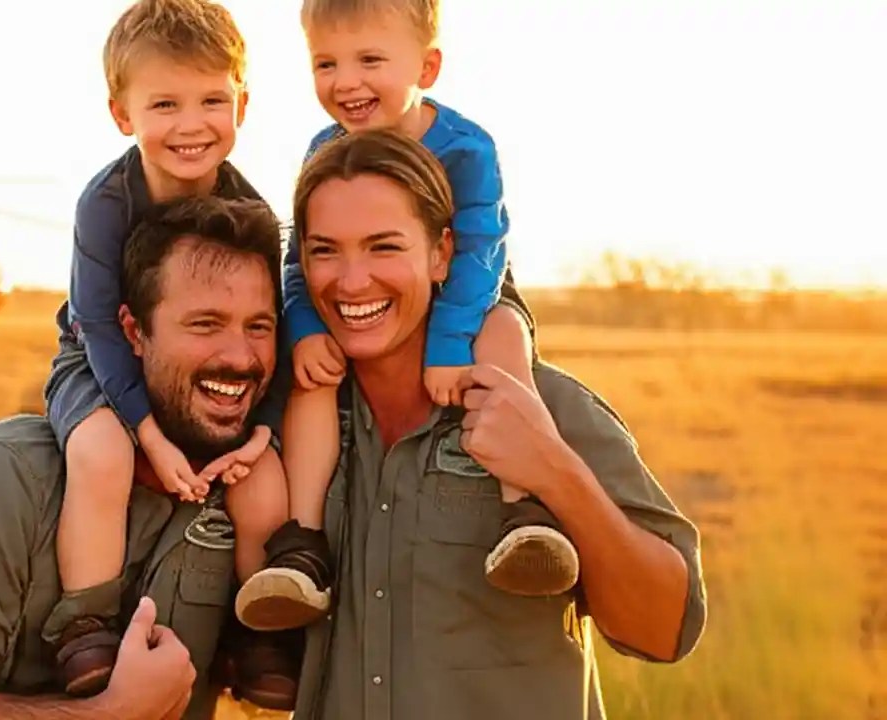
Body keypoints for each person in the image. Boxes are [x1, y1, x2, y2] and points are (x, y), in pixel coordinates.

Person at [284, 129, 707, 718]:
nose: (352, 281)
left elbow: (664, 629)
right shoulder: (295, 430)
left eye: (384, 247)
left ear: (441, 255)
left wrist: (555, 471)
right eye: (325, 250)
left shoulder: (543, 404)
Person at [0, 196, 300, 719]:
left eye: (259, 327)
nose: (240, 357)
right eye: (204, 324)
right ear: (132, 332)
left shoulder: (260, 499)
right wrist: (112, 714)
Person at [233, 0, 580, 632]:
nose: (346, 82)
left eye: (370, 60)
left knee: (504, 337)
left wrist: (450, 342)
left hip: (474, 294)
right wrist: (307, 329)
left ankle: (524, 510)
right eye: (325, 63)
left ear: (429, 65)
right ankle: (303, 542)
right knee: (314, 377)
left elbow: (480, 251)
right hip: (360, 309)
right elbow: (299, 253)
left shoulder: (466, 148)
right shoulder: (323, 149)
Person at [44, 0, 294, 699]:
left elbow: (272, 325)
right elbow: (95, 324)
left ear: (242, 103)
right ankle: (85, 622)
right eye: (164, 104)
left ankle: (256, 628)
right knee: (99, 453)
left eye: (212, 99)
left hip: (206, 364)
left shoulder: (252, 211)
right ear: (123, 115)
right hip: (96, 357)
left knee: (266, 478)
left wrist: (260, 433)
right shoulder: (106, 202)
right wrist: (148, 435)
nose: (191, 124)